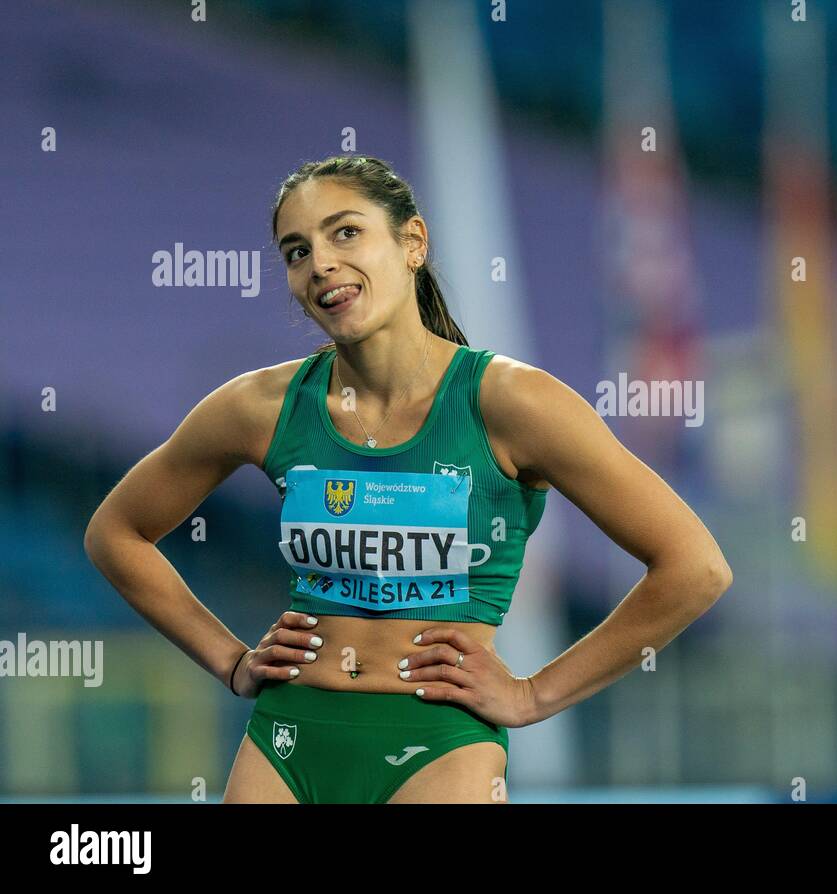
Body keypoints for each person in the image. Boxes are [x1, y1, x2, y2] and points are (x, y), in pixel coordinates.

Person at [83, 155, 732, 803]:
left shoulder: (514, 404)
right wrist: (228, 661)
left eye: (345, 232)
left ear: (412, 242)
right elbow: (117, 533)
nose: (321, 264)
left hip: (437, 747)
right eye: (296, 250)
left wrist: (535, 694)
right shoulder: (261, 407)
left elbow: (694, 567)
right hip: (285, 739)